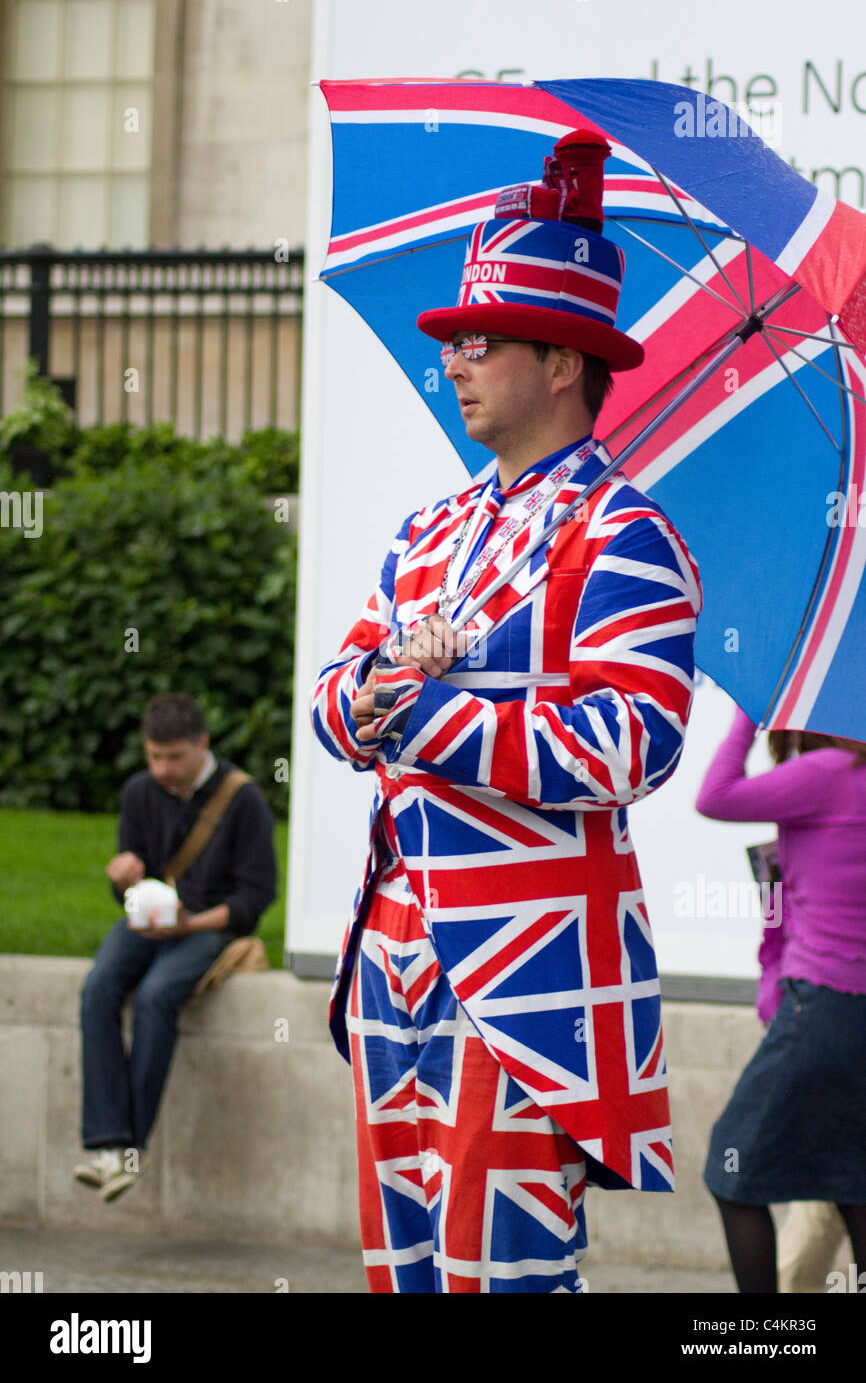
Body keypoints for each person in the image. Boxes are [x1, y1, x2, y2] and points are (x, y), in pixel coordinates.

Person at [311, 132, 703, 1293]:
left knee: (505, 1280)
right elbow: (337, 707)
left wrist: (428, 715)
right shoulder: (425, 530)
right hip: (391, 957)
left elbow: (632, 744)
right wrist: (382, 693)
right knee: (405, 1277)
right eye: (454, 341)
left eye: (482, 341)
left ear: (564, 362)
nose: (458, 359)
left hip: (527, 981)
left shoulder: (628, 536)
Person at [74, 693, 276, 1201]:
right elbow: (128, 885)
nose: (163, 768)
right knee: (98, 986)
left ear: (201, 744)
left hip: (209, 925)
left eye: (174, 757)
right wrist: (122, 879)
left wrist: (191, 924)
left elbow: (256, 898)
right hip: (150, 922)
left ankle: (129, 1152)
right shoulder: (139, 792)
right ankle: (106, 1144)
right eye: (154, 756)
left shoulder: (244, 798)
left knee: (156, 996)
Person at [697, 704, 866, 1293]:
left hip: (820, 1009)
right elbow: (782, 913)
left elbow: (714, 795)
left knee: (730, 1168)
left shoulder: (827, 773)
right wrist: (774, 982)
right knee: (854, 1184)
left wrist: (751, 708)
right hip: (837, 1013)